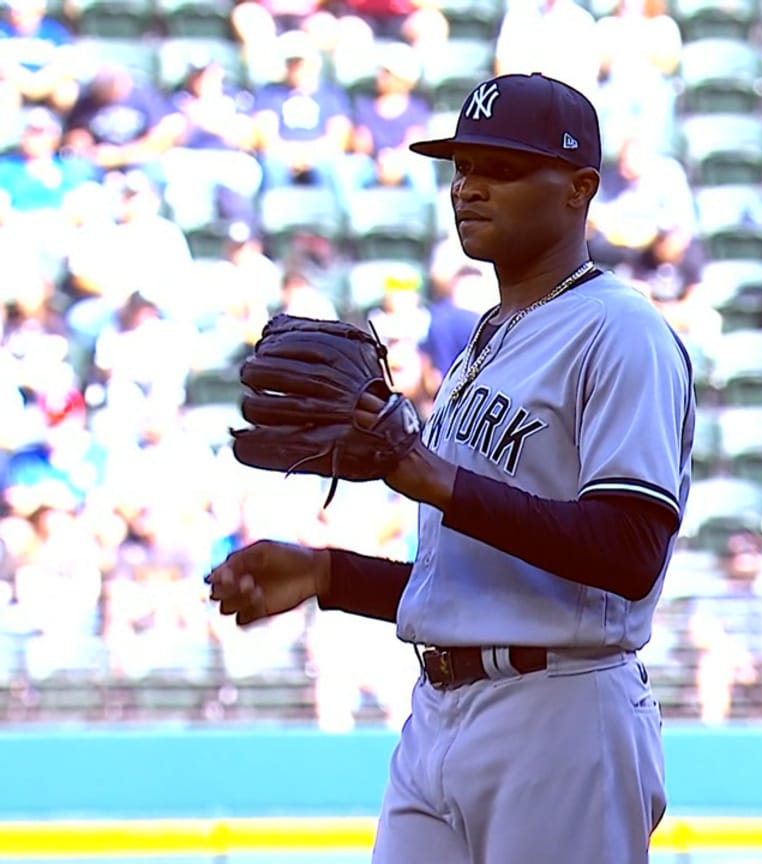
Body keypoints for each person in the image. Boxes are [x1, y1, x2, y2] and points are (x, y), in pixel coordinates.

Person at [206, 72, 693, 864]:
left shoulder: (621, 333)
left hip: (561, 716)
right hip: (437, 712)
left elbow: (629, 553)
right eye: (462, 166)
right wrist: (328, 575)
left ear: (579, 188)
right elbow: (478, 586)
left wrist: (432, 477)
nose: (469, 186)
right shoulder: (482, 346)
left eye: (501, 168)